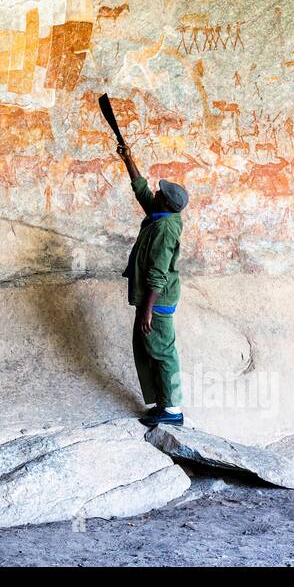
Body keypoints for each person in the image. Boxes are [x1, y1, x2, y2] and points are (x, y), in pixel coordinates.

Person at [115, 142, 188, 427]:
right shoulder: (161, 215)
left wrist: (147, 308)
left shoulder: (165, 229)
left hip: (158, 300)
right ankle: (163, 403)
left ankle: (172, 410)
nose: (156, 192)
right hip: (153, 299)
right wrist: (128, 159)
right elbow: (142, 191)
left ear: (167, 204)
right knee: (152, 348)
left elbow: (158, 271)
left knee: (162, 351)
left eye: (161, 193)